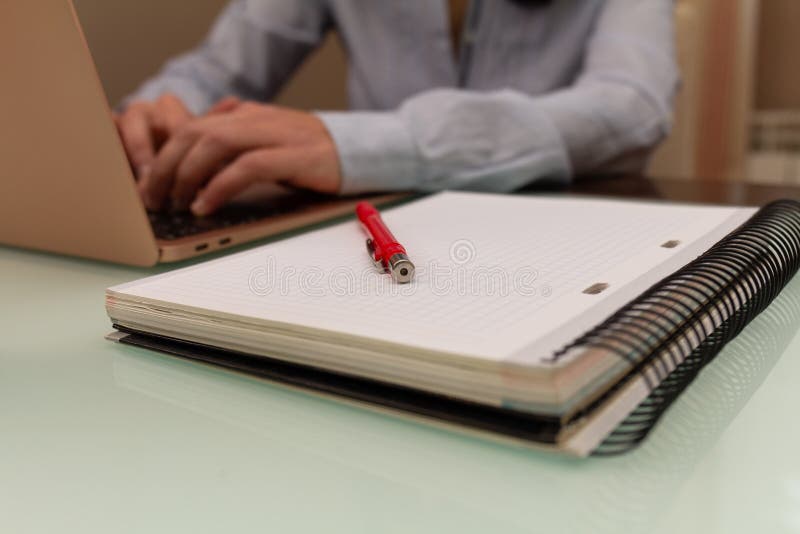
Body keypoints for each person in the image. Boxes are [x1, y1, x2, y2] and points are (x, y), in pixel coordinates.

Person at [115, 0, 678, 216]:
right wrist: (162, 115)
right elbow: (214, 71)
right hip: (373, 225)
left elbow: (631, 106)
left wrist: (360, 145)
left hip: (567, 232)